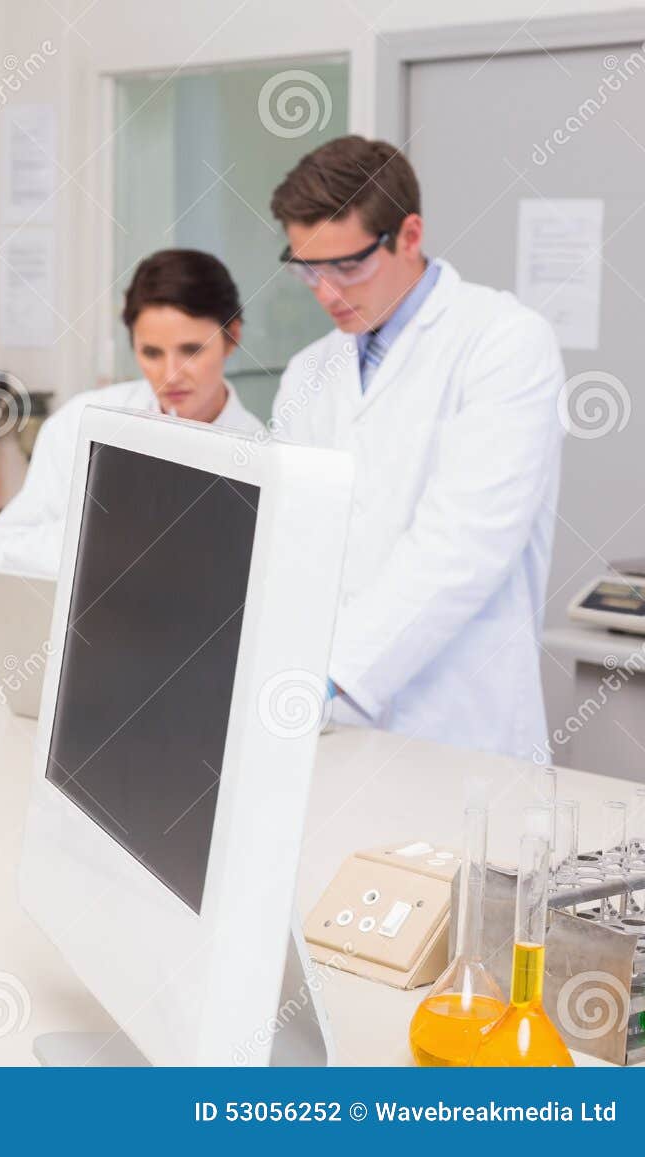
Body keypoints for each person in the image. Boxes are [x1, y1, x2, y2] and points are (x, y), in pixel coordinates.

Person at [269, 135, 564, 760]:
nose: (327, 293)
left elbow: (463, 544)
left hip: (461, 728)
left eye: (347, 267)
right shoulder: (308, 372)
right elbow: (287, 537)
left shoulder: (505, 344)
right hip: (328, 728)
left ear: (408, 235)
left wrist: (332, 674)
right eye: (308, 269)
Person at [0, 249, 265, 575]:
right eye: (152, 353)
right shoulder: (83, 421)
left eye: (191, 350)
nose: (171, 374)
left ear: (232, 337)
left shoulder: (262, 454)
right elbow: (1, 553)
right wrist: (104, 535)